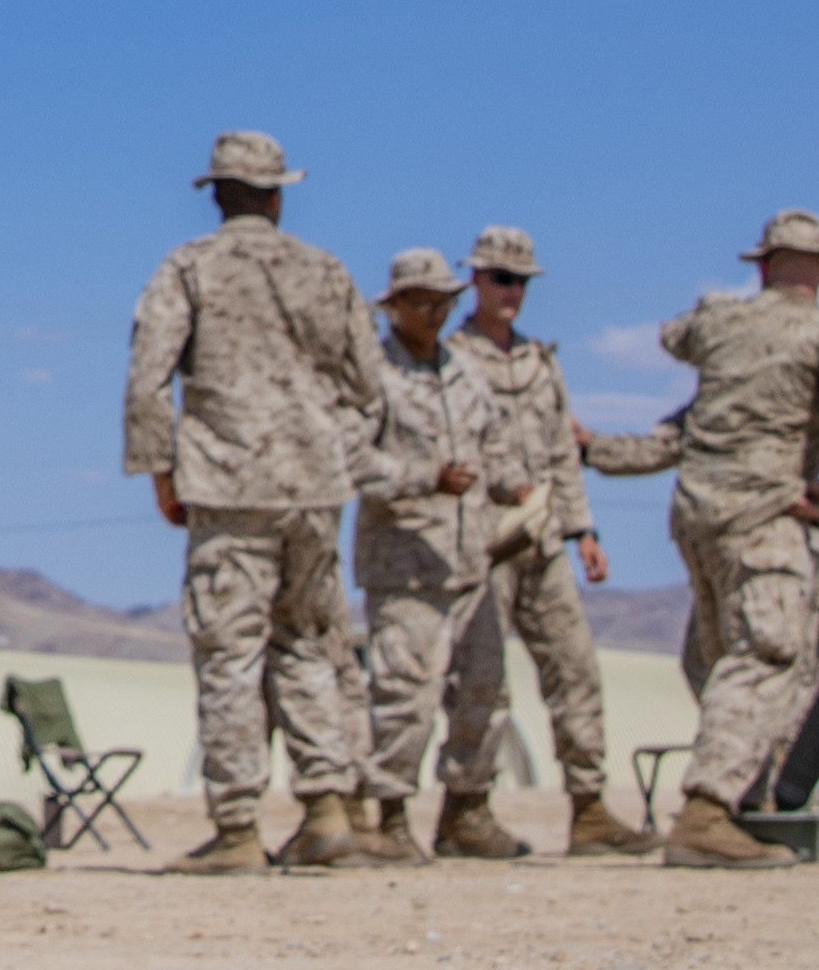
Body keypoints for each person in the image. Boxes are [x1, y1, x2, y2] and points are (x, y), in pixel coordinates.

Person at [572, 208, 819, 868]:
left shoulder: (719, 323)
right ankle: (709, 810)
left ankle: (749, 795)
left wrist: (595, 450)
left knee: (715, 660)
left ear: (764, 265)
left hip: (698, 517)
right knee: (768, 655)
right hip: (768, 512)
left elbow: (673, 351)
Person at [116, 133, 379, 874]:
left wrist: (161, 471)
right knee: (305, 641)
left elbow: (147, 378)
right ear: (276, 194)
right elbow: (368, 385)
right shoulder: (326, 271)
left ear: (215, 193)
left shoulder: (189, 266)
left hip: (228, 488)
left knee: (230, 651)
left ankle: (236, 828)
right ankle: (327, 811)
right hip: (313, 491)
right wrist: (330, 456)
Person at [432, 223, 635, 858]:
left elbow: (561, 451)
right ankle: (465, 808)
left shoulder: (540, 363)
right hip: (480, 542)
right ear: (474, 282)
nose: (511, 291)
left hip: (543, 541)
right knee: (481, 680)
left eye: (520, 281)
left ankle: (591, 805)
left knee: (575, 669)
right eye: (500, 279)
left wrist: (583, 530)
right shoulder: (450, 358)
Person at [343, 247, 494, 867]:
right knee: (404, 693)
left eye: (444, 302)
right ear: (394, 305)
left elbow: (492, 444)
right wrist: (424, 476)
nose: (436, 313)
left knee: (482, 691)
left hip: (469, 557)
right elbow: (352, 460)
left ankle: (466, 811)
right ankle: (388, 815)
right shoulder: (373, 375)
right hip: (403, 562)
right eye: (423, 302)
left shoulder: (465, 372)